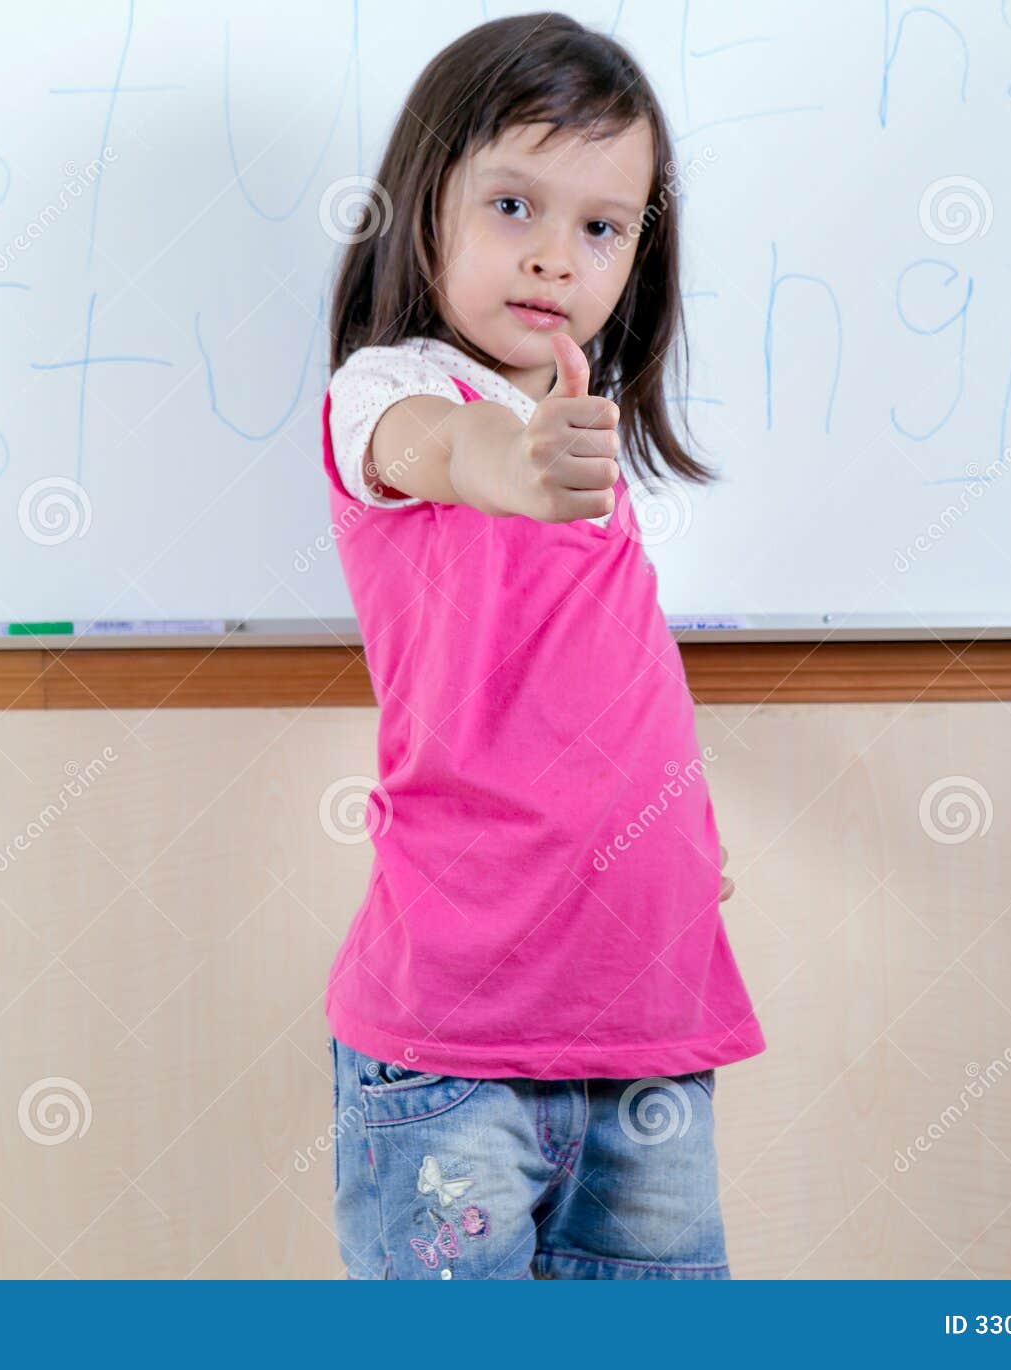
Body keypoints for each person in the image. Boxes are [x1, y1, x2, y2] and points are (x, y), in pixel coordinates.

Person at [319, 10, 763, 1280]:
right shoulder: (393, 398)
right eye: (512, 205)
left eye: (600, 226)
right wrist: (500, 458)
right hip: (455, 1040)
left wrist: (678, 835)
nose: (553, 257)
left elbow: (603, 672)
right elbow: (432, 450)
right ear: (424, 213)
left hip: (647, 1014)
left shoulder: (579, 434)